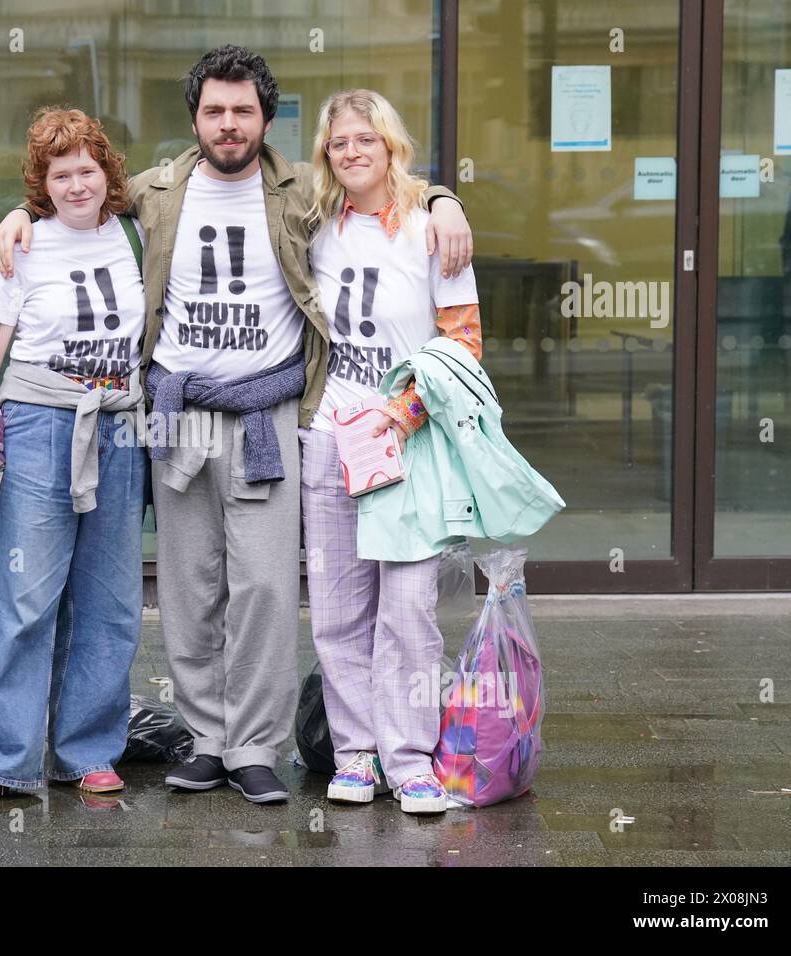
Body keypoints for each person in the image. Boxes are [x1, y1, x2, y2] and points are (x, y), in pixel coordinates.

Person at [0, 47, 474, 804]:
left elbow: (374, 185)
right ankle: (206, 739)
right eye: (214, 110)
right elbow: (77, 193)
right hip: (179, 413)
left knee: (266, 589)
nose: (227, 123)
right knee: (188, 589)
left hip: (267, 412)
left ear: (265, 118)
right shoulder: (155, 191)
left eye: (242, 110)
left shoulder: (301, 195)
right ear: (195, 118)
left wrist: (443, 197)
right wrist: (21, 211)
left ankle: (254, 745)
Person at [0, 107, 149, 806]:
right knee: (25, 597)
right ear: (43, 183)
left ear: (107, 172)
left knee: (112, 600)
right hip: (38, 424)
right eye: (61, 174)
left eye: (87, 169)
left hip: (119, 428)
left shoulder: (137, 236)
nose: (77, 184)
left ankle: (87, 751)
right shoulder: (21, 246)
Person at [300, 89, 482, 813]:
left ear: (391, 146)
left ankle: (410, 761)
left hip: (409, 440)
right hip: (329, 440)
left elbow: (464, 343)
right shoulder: (315, 227)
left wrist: (403, 415)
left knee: (409, 610)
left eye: (364, 140)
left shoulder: (432, 230)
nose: (351, 152)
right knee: (339, 611)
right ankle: (354, 754)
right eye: (338, 142)